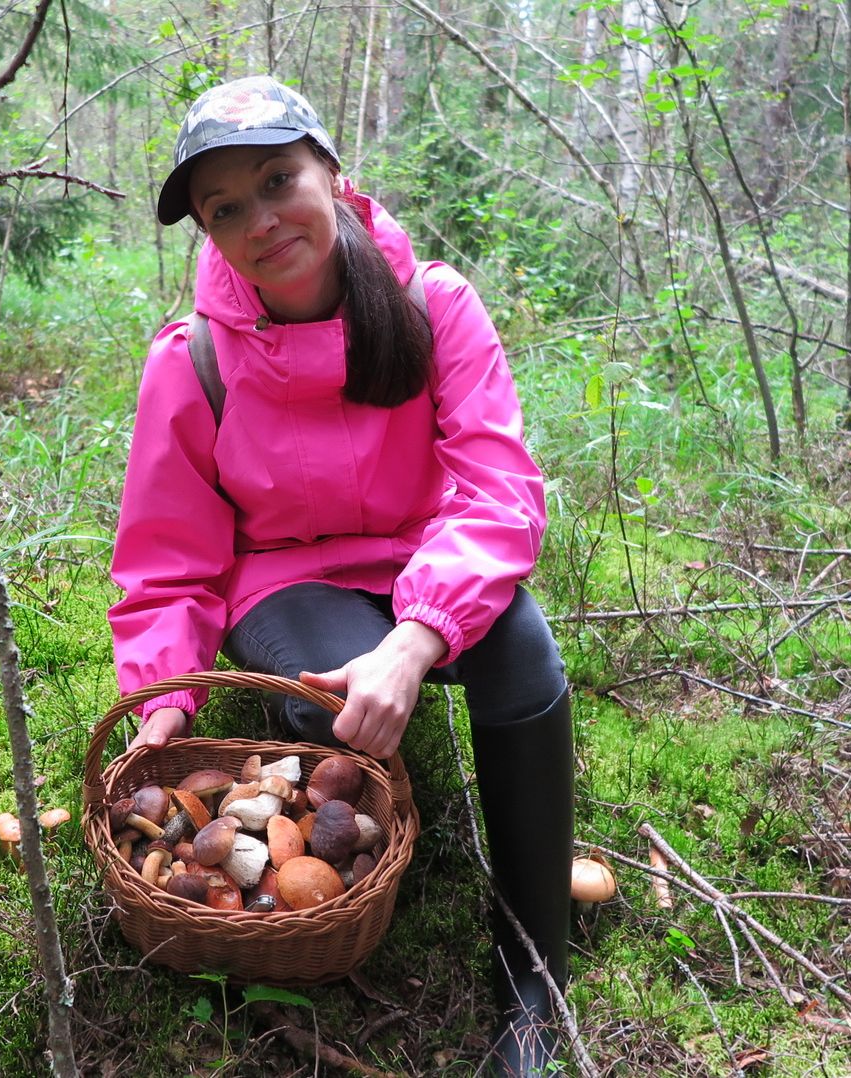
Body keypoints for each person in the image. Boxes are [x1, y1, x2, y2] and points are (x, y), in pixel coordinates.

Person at [107, 75, 574, 1075]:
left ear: (331, 171)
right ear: (206, 230)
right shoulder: (193, 360)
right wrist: (164, 698)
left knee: (527, 661)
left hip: (431, 551)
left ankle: (532, 978)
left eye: (279, 180)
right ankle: (364, 871)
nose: (260, 221)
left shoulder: (432, 305)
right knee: (321, 699)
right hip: (291, 579)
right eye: (225, 208)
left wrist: (416, 638)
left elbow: (497, 488)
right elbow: (169, 557)